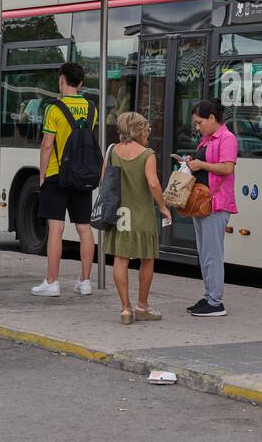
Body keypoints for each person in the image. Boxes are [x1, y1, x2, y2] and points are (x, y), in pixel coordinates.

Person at [32, 62, 98, 299]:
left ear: (61, 80)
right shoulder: (91, 108)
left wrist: (42, 173)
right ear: (80, 83)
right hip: (82, 174)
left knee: (56, 228)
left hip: (57, 174)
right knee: (84, 228)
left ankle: (52, 282)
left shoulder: (54, 108)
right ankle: (85, 281)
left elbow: (47, 144)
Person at [102, 112, 171, 325]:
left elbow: (104, 179)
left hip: (121, 214)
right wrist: (163, 206)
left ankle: (125, 309)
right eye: (146, 130)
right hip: (142, 215)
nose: (147, 134)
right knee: (147, 259)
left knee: (120, 260)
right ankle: (142, 306)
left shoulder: (112, 150)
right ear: (139, 130)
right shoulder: (147, 154)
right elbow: (153, 183)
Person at [184, 99, 238, 318]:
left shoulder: (227, 138)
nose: (197, 127)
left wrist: (201, 164)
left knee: (212, 254)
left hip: (217, 204)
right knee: (204, 253)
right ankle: (208, 296)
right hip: (203, 203)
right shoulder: (207, 139)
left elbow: (227, 167)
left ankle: (216, 301)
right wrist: (190, 161)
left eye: (200, 122)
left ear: (212, 119)